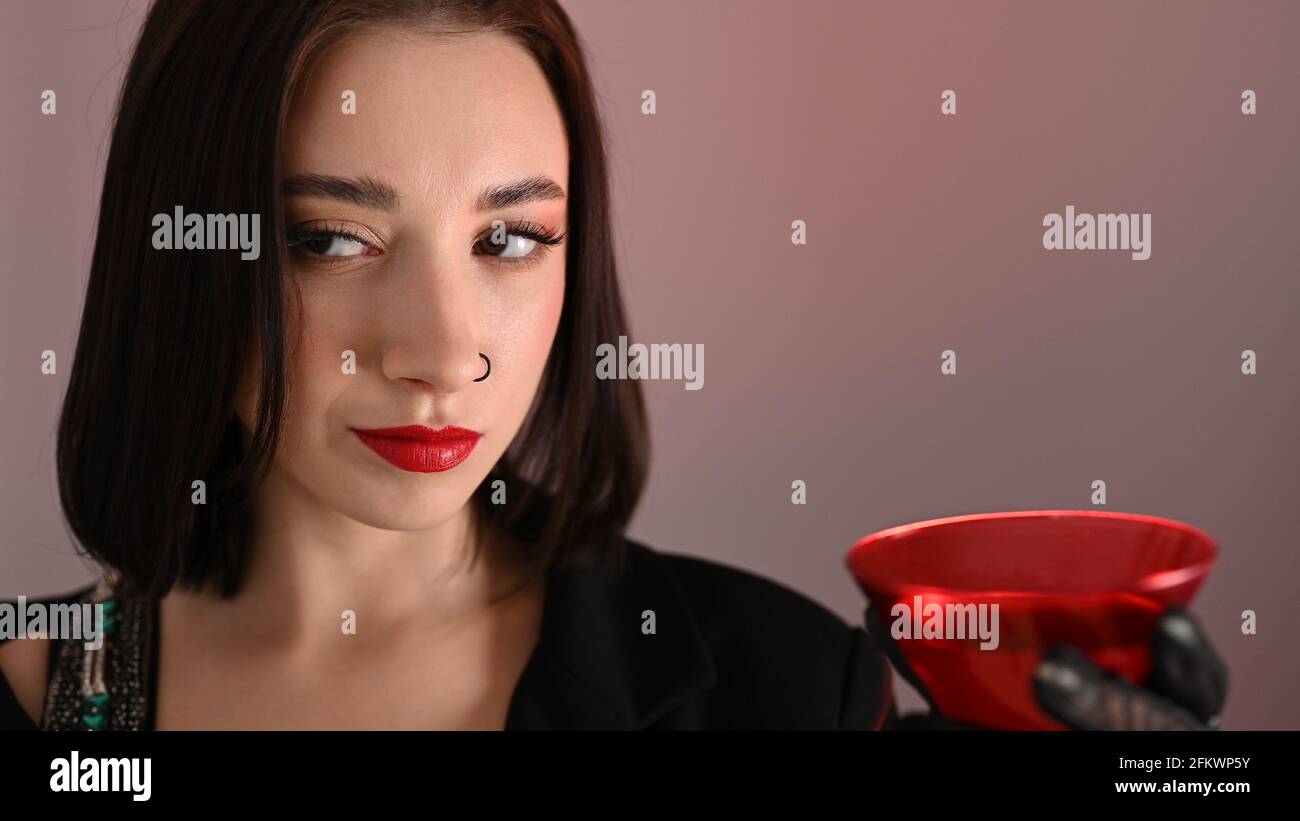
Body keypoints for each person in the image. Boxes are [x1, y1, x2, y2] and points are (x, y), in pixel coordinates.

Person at [0, 0, 1226, 731]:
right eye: (330, 238)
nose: (443, 353)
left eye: (511, 239)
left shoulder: (779, 687)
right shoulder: (39, 698)